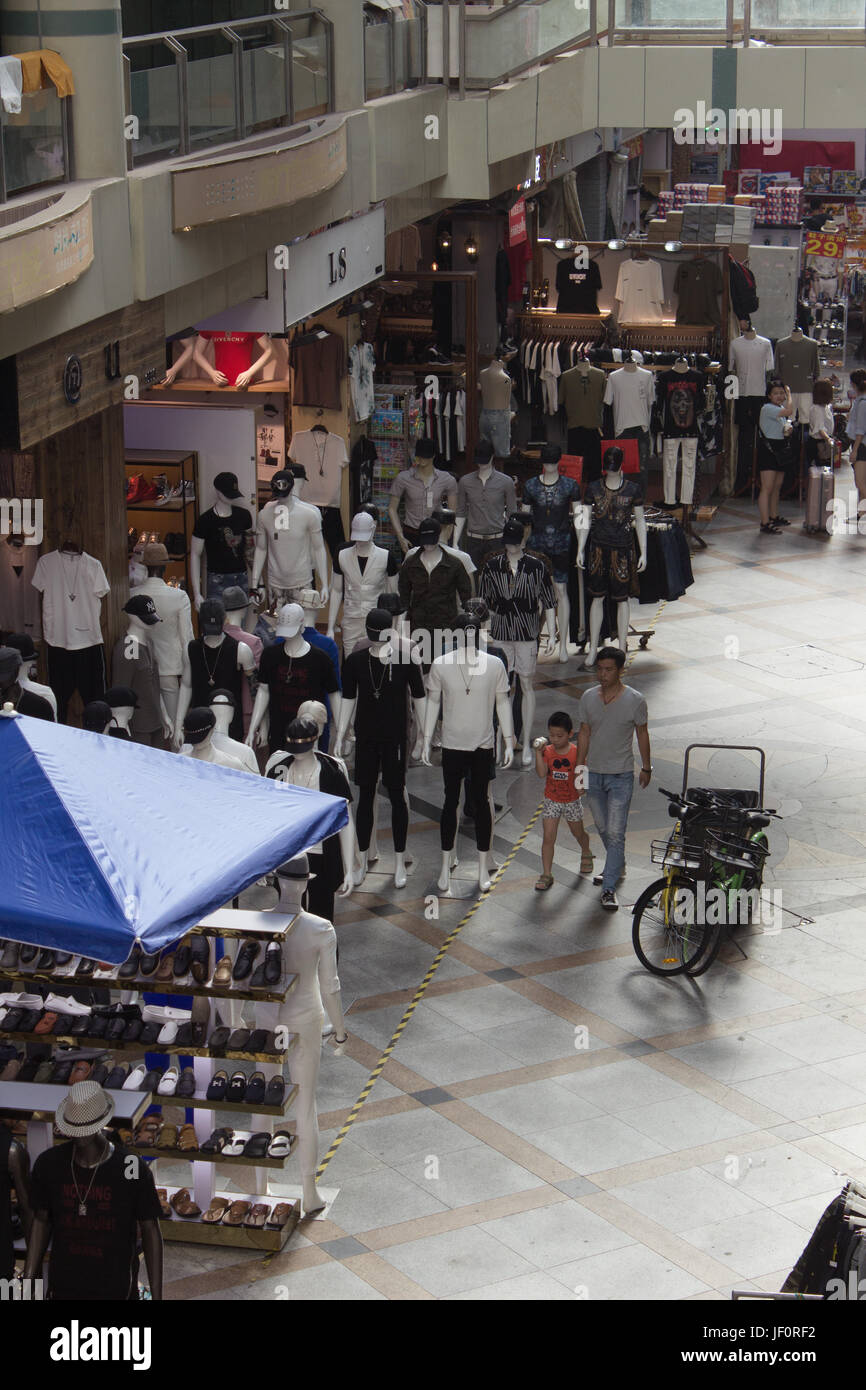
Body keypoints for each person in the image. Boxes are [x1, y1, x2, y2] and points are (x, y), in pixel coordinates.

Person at [24, 1081, 163, 1300]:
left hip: (116, 1287)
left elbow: (150, 1228)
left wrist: (157, 1295)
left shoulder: (130, 1166)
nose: (79, 1136)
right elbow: (41, 1220)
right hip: (64, 1286)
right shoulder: (49, 1163)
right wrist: (28, 1278)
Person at [575, 645, 651, 911]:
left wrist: (647, 767)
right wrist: (579, 768)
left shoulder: (635, 700)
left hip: (621, 775)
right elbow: (583, 733)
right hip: (594, 773)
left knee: (616, 833)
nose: (602, 674)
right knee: (603, 828)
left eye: (608, 670)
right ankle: (616, 866)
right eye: (599, 669)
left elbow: (642, 733)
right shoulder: (587, 698)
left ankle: (608, 887)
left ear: (620, 671)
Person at [532, 711, 593, 892]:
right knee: (548, 837)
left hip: (572, 801)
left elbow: (583, 773)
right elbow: (542, 773)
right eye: (551, 735)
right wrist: (538, 753)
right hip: (552, 799)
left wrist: (582, 785)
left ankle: (586, 851)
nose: (555, 739)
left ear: (570, 734)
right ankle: (546, 873)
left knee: (578, 833)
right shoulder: (548, 752)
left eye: (559, 736)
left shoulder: (576, 753)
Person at [756, 379, 795, 534]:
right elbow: (790, 411)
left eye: (782, 393)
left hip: (779, 449)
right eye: (776, 393)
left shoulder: (778, 409)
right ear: (769, 396)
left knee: (777, 486)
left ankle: (773, 515)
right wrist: (790, 394)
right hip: (768, 451)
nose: (779, 396)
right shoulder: (767, 408)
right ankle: (765, 522)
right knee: (767, 487)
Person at [846, 368, 866, 511]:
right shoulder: (860, 401)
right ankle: (861, 513)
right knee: (862, 482)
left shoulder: (863, 403)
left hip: (862, 445)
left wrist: (855, 450)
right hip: (859, 444)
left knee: (860, 482)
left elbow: (860, 429)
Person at [807, 377, 835, 465]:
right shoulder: (816, 409)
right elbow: (820, 428)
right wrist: (828, 439)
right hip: (819, 443)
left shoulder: (825, 407)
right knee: (819, 471)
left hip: (824, 440)